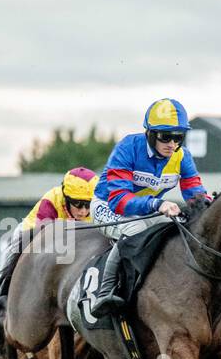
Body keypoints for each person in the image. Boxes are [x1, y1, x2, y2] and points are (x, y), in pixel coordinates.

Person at [88, 98, 210, 316]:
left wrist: (210, 207)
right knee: (135, 232)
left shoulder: (182, 156)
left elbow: (195, 194)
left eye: (179, 137)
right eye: (166, 136)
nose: (172, 144)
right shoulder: (128, 148)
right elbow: (119, 200)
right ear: (150, 133)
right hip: (108, 206)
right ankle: (105, 293)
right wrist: (157, 203)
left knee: (174, 230)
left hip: (145, 210)